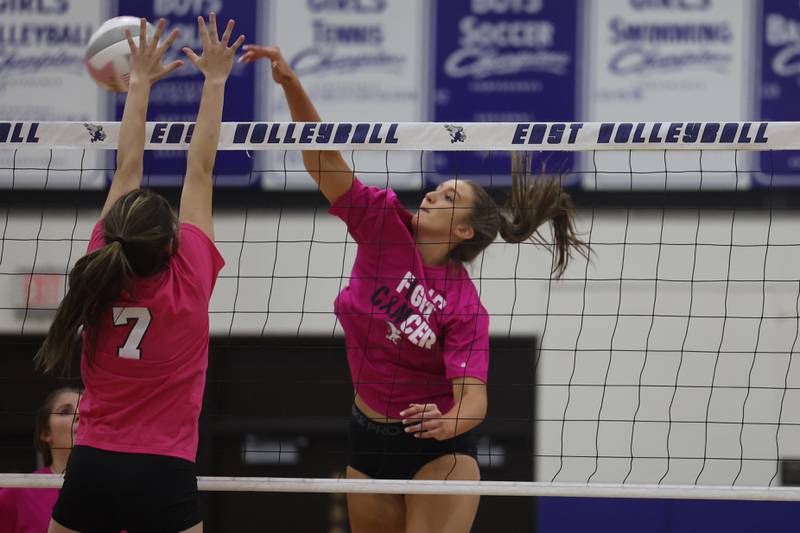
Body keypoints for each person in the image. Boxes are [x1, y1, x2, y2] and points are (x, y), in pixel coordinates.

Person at [239, 45, 588, 533]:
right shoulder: (382, 224)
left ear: (465, 231)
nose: (432, 193)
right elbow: (323, 160)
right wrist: (292, 86)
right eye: (438, 188)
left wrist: (451, 423)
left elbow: (474, 400)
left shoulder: (465, 307)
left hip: (436, 446)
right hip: (367, 435)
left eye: (449, 198)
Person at [33, 14, 243, 533]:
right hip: (164, 468)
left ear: (117, 234)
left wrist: (139, 83)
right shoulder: (190, 275)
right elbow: (201, 169)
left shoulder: (99, 268)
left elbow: (125, 167)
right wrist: (215, 80)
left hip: (94, 461)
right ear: (172, 243)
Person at [0, 387, 81, 533]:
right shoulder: (16, 492)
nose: (80, 416)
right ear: (45, 432)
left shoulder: (119, 491)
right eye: (65, 411)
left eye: (88, 412)